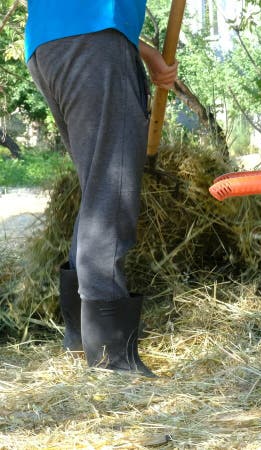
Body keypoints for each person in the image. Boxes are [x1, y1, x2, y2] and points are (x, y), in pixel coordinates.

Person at [25, 1, 178, 376]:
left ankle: (80, 334)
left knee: (98, 188)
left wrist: (145, 52)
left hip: (49, 44)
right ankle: (112, 357)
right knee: (112, 191)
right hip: (94, 44)